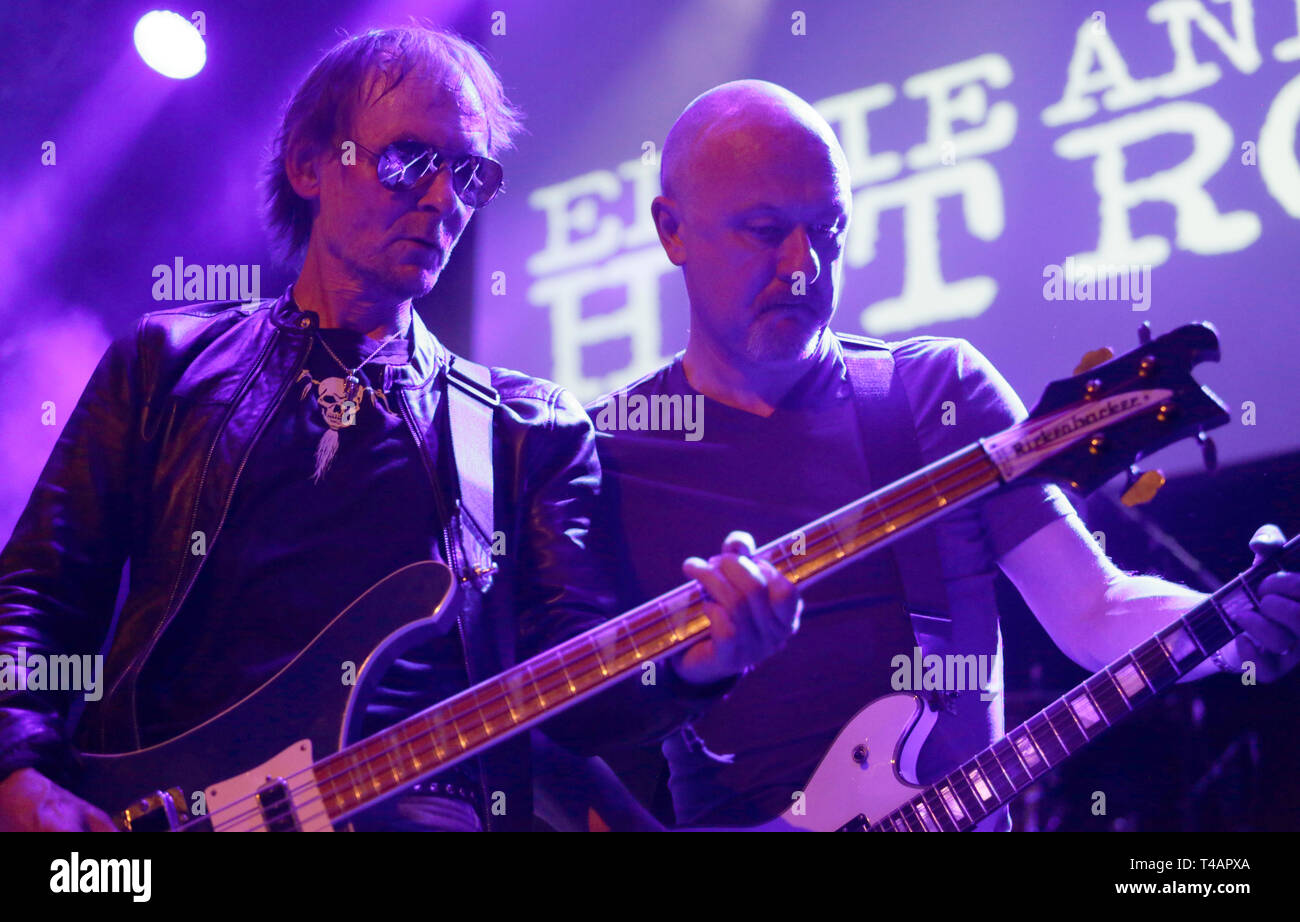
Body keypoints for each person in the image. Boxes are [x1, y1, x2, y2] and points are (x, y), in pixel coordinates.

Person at [0, 30, 799, 833]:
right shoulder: (165, 363)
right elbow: (36, 591)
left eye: (471, 175)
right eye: (410, 160)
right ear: (309, 164)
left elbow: (578, 695)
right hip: (146, 818)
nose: (444, 198)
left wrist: (701, 662)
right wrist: (17, 765)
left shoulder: (528, 426)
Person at [586, 79, 1300, 830]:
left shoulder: (937, 391)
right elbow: (569, 743)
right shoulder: (606, 452)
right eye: (765, 231)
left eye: (828, 230)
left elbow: (1094, 607)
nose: (804, 267)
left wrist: (1228, 628)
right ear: (672, 230)